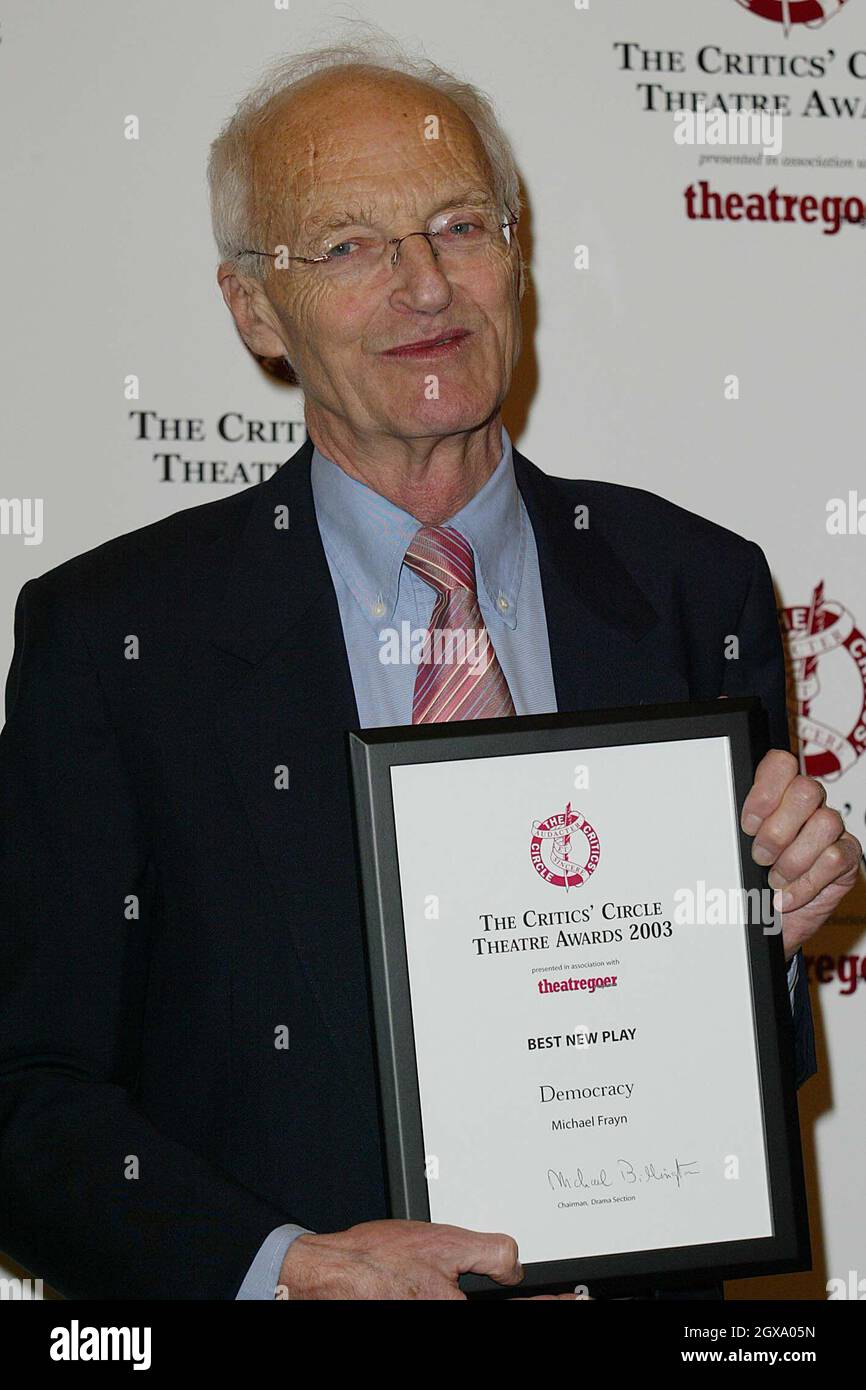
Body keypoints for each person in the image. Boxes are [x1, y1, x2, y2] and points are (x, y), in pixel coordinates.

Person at [0, 35, 860, 1301]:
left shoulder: (690, 582)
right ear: (253, 309)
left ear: (516, 257)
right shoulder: (117, 639)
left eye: (460, 224)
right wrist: (284, 1272)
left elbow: (726, 1085)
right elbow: (27, 1094)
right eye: (347, 245)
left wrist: (762, 937)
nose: (423, 286)